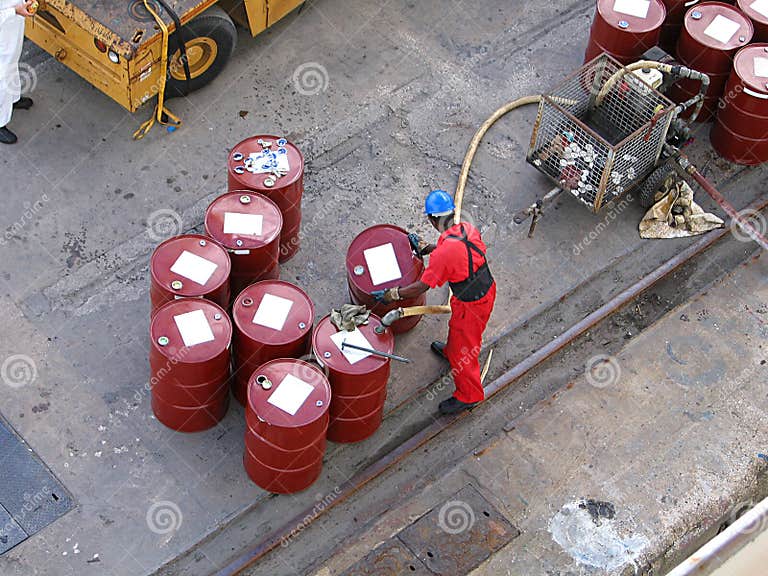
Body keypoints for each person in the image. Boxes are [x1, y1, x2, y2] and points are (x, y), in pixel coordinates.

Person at [374, 190, 496, 415]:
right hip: (481, 291)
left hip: (473, 306)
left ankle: (470, 396)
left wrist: (393, 294)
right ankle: (451, 352)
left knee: (465, 349)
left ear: (431, 218)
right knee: (457, 333)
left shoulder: (444, 254)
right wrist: (425, 247)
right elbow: (451, 250)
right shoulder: (465, 229)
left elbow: (422, 286)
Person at [1, 0, 35, 145]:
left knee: (12, 63)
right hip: (4, 28)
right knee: (2, 77)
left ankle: (13, 100)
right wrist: (15, 10)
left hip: (13, 24)